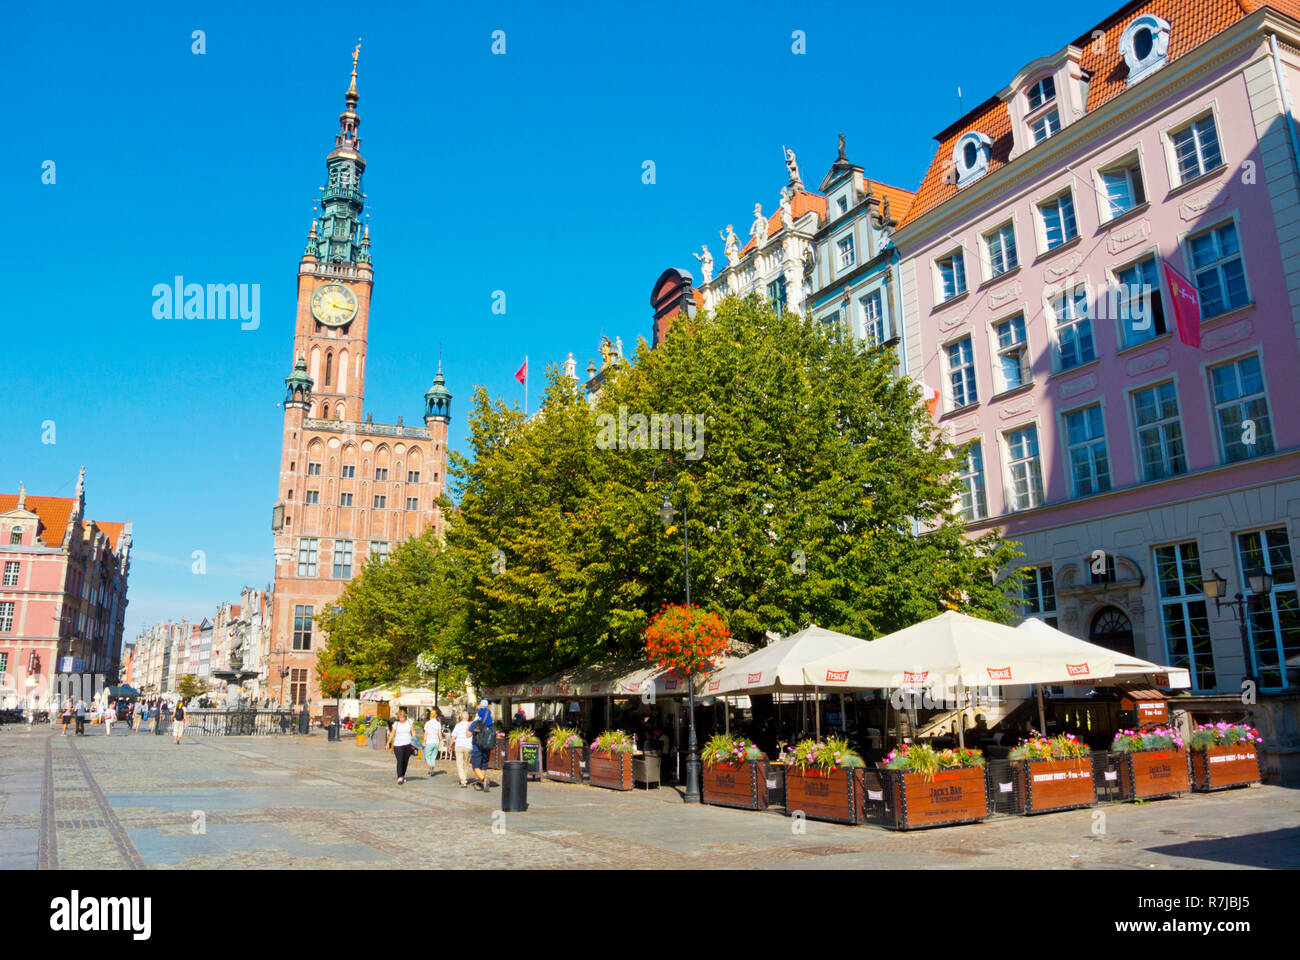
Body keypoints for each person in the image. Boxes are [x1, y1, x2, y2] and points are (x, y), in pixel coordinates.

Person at [469, 700, 495, 791]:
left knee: (475, 766)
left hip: (477, 747)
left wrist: (470, 724)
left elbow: (468, 734)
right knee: (483, 766)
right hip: (487, 747)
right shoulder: (491, 724)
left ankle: (484, 780)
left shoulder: (476, 723)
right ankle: (481, 784)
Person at [387, 709, 415, 784]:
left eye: (402, 718)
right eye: (400, 718)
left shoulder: (409, 722)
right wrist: (388, 743)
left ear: (405, 717)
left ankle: (402, 775)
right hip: (398, 745)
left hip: (408, 744)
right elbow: (392, 733)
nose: (401, 719)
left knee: (405, 761)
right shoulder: (396, 724)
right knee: (400, 760)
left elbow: (413, 731)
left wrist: (415, 741)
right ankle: (399, 777)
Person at [451, 710, 474, 787]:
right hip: (468, 746)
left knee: (459, 764)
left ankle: (463, 780)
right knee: (466, 763)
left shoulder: (458, 725)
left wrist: (450, 746)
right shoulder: (471, 725)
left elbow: (453, 737)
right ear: (468, 718)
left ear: (461, 718)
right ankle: (464, 778)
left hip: (459, 746)